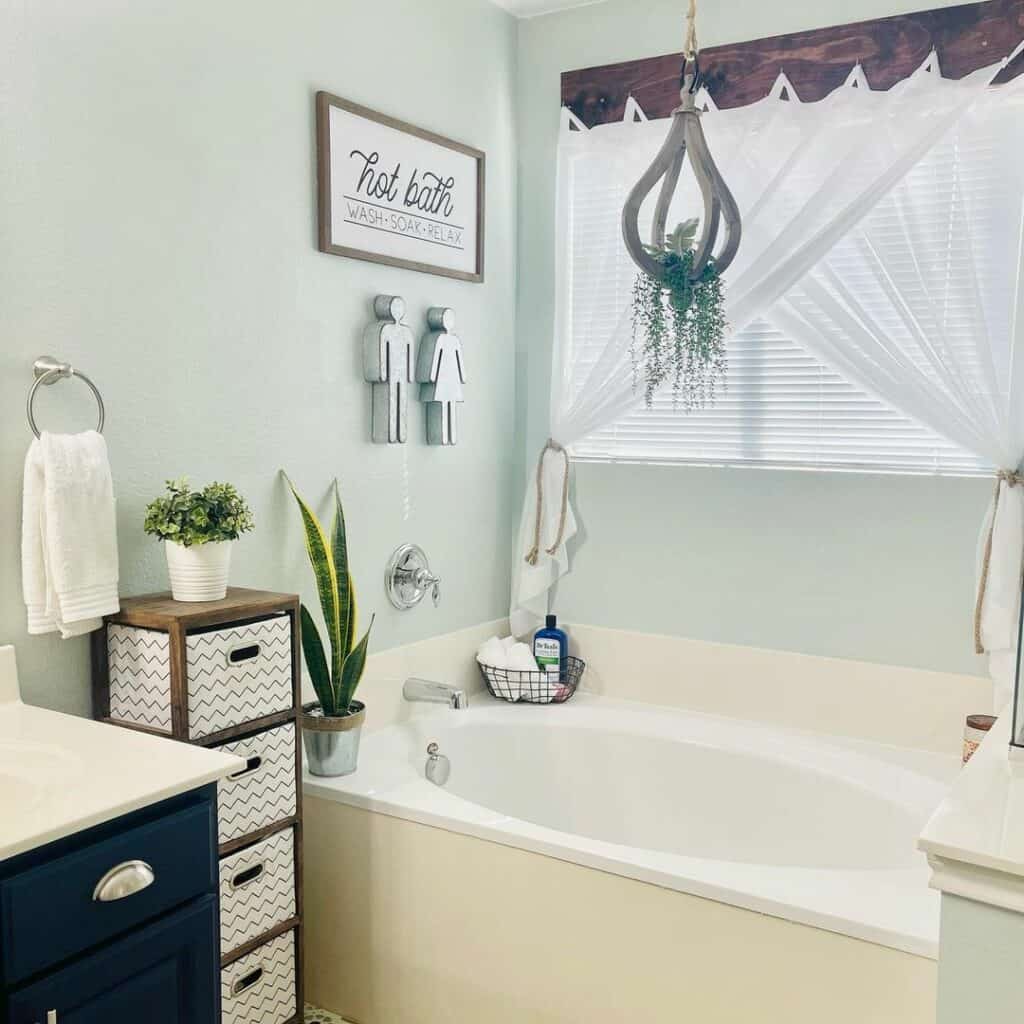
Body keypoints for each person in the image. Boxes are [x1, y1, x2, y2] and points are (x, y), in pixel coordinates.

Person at [363, 295, 413, 444]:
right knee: (390, 400)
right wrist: (382, 373)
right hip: (390, 373)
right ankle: (391, 434)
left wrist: (409, 375)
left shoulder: (406, 331)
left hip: (401, 372)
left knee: (401, 400)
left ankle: (401, 434)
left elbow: (410, 352)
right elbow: (381, 352)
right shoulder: (383, 330)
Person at [417, 307, 465, 446]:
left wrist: (462, 376)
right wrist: (431, 376)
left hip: (449, 378)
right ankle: (445, 437)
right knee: (444, 405)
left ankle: (450, 437)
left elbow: (459, 359)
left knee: (450, 406)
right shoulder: (438, 339)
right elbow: (434, 358)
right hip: (443, 379)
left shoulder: (451, 340)